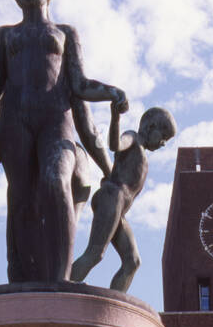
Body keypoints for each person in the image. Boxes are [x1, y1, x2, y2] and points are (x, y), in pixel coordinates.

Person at [0, 0, 126, 282]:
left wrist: (111, 93)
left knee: (55, 178)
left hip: (55, 123)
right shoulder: (4, 36)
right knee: (20, 197)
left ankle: (60, 281)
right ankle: (21, 279)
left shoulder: (65, 33)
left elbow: (80, 85)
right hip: (15, 123)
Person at [69, 100, 176, 292]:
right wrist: (115, 116)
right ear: (151, 127)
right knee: (95, 253)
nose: (163, 143)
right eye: (164, 136)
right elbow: (115, 144)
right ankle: (61, 289)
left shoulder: (143, 153)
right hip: (112, 196)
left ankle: (113, 306)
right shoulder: (133, 138)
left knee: (132, 261)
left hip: (120, 209)